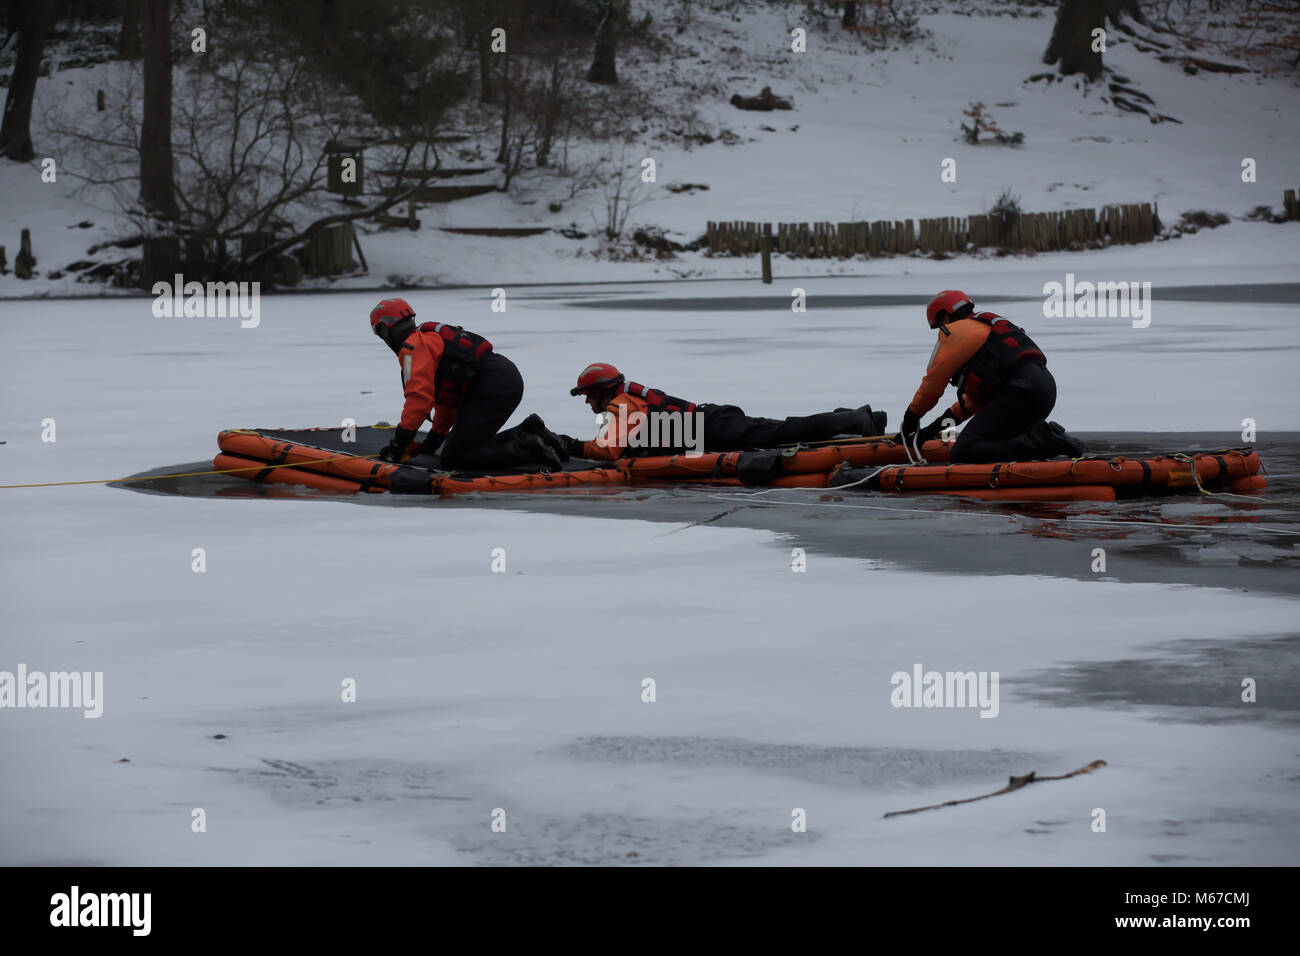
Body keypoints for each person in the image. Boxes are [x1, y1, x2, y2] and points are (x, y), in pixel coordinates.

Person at [369, 298, 563, 469]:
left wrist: (399, 443)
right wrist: (434, 440)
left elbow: (419, 400)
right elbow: (446, 399)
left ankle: (529, 448)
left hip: (493, 387)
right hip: (501, 378)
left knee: (455, 457)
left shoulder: (413, 349)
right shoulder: (425, 338)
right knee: (468, 444)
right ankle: (529, 431)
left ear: (386, 330)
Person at [898, 290, 1085, 464]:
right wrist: (929, 431)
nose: (940, 330)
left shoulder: (955, 332)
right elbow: (971, 404)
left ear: (945, 316)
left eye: (939, 324)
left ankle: (1044, 440)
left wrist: (911, 419)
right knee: (994, 441)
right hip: (1042, 390)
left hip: (1018, 394)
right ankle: (1044, 446)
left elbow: (933, 384)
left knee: (963, 451)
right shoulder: (983, 328)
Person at [557, 363, 886, 460]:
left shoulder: (623, 404)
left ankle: (852, 419)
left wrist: (572, 446)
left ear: (602, 392)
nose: (588, 404)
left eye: (588, 396)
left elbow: (608, 450)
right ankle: (855, 418)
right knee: (781, 430)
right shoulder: (627, 399)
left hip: (710, 429)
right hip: (711, 423)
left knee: (782, 434)